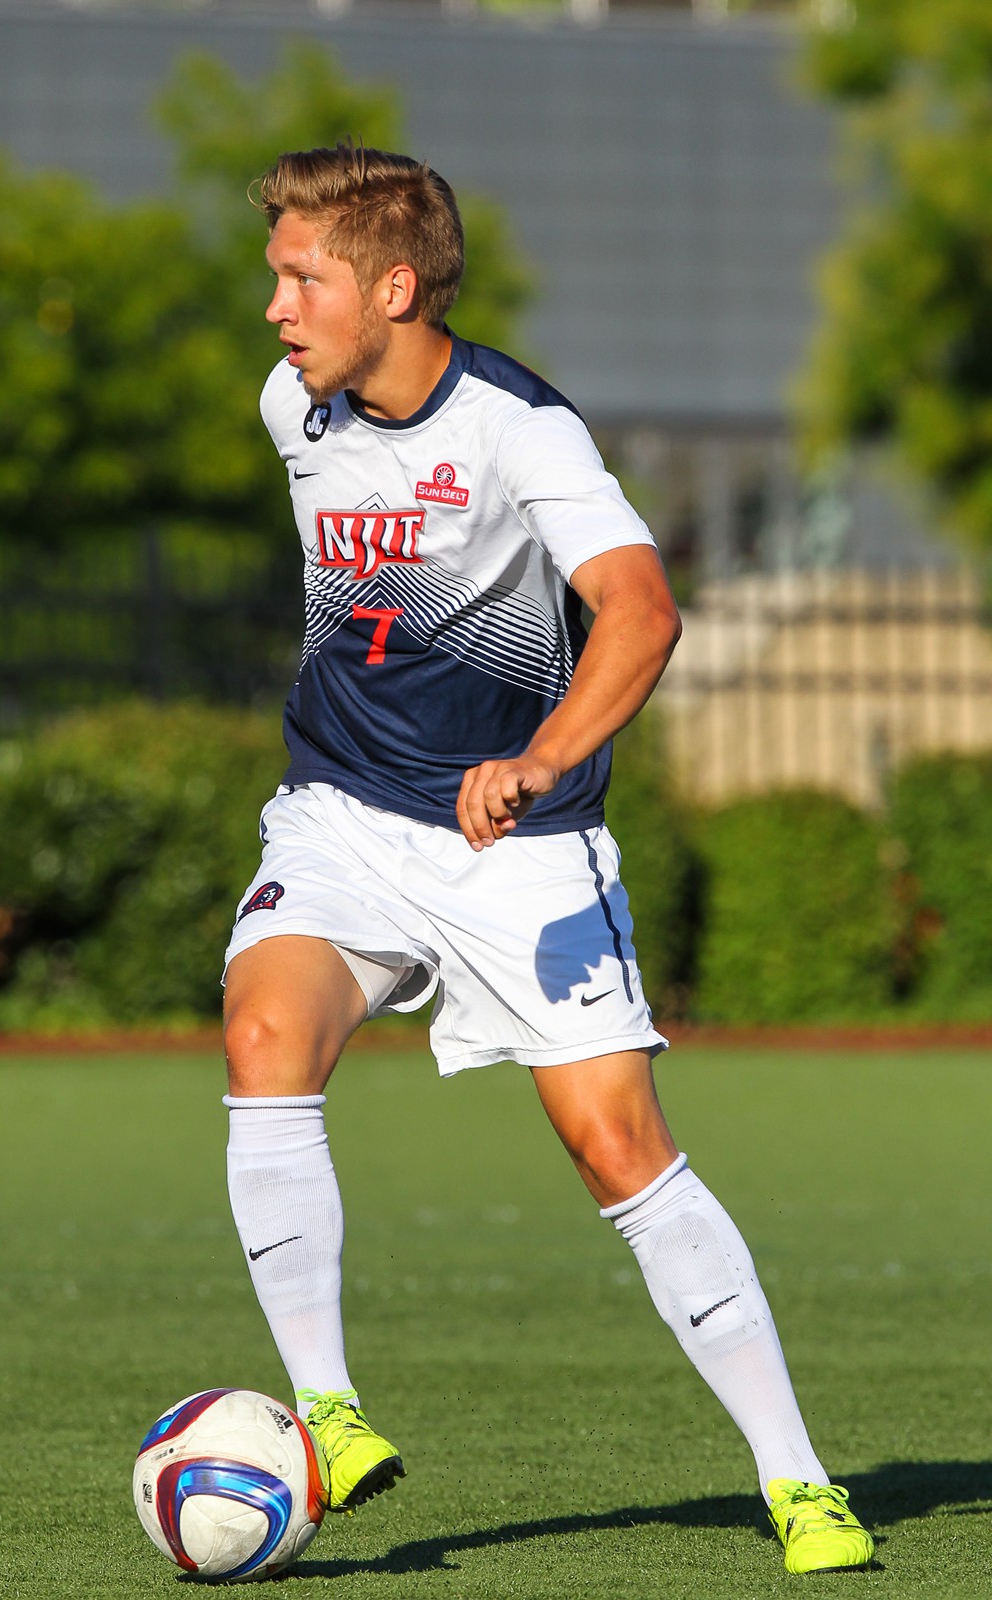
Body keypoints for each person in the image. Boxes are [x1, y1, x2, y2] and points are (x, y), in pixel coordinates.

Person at [221, 142, 874, 1577]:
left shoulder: (523, 429)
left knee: (617, 1148)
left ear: (393, 286)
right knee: (267, 1031)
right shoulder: (297, 408)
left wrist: (539, 757)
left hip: (520, 847)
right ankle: (327, 1414)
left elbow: (640, 612)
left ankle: (800, 1483)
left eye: (300, 277)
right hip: (336, 815)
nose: (274, 308)